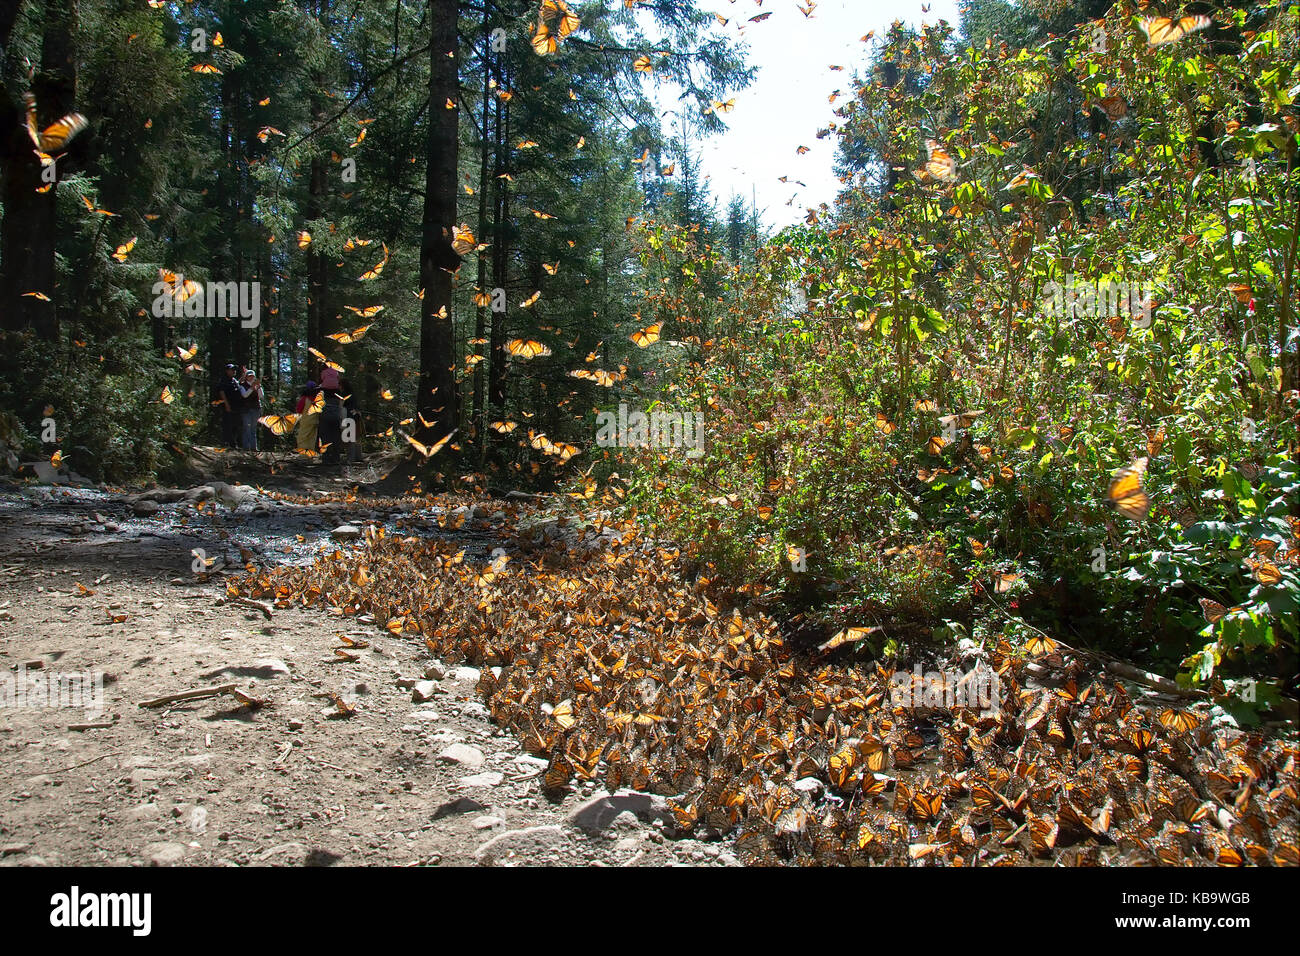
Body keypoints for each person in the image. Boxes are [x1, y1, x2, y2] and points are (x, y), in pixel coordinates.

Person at [317, 366, 344, 464]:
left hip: (324, 415)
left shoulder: (321, 389)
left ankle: (326, 458)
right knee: (336, 436)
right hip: (336, 415)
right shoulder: (338, 389)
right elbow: (342, 403)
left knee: (325, 437)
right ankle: (336, 458)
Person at [238, 369, 264, 451]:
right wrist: (252, 388)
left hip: (256, 409)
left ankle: (253, 447)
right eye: (249, 376)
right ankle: (246, 447)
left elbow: (261, 396)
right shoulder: (242, 385)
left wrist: (258, 387)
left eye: (252, 376)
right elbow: (245, 395)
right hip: (246, 410)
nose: (251, 377)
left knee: (253, 428)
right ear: (246, 377)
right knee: (246, 428)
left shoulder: (258, 386)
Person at [218, 364, 242, 449]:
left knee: (235, 424)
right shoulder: (224, 380)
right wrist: (226, 404)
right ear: (227, 371)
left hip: (236, 406)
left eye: (234, 370)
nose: (234, 371)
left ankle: (233, 443)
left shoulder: (234, 380)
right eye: (232, 370)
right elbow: (222, 392)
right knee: (227, 424)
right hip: (227, 405)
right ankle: (226, 443)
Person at [294, 379, 321, 453]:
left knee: (302, 438)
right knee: (312, 439)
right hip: (315, 421)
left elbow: (299, 410)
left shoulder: (304, 399)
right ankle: (310, 455)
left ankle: (303, 455)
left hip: (306, 421)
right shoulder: (318, 399)